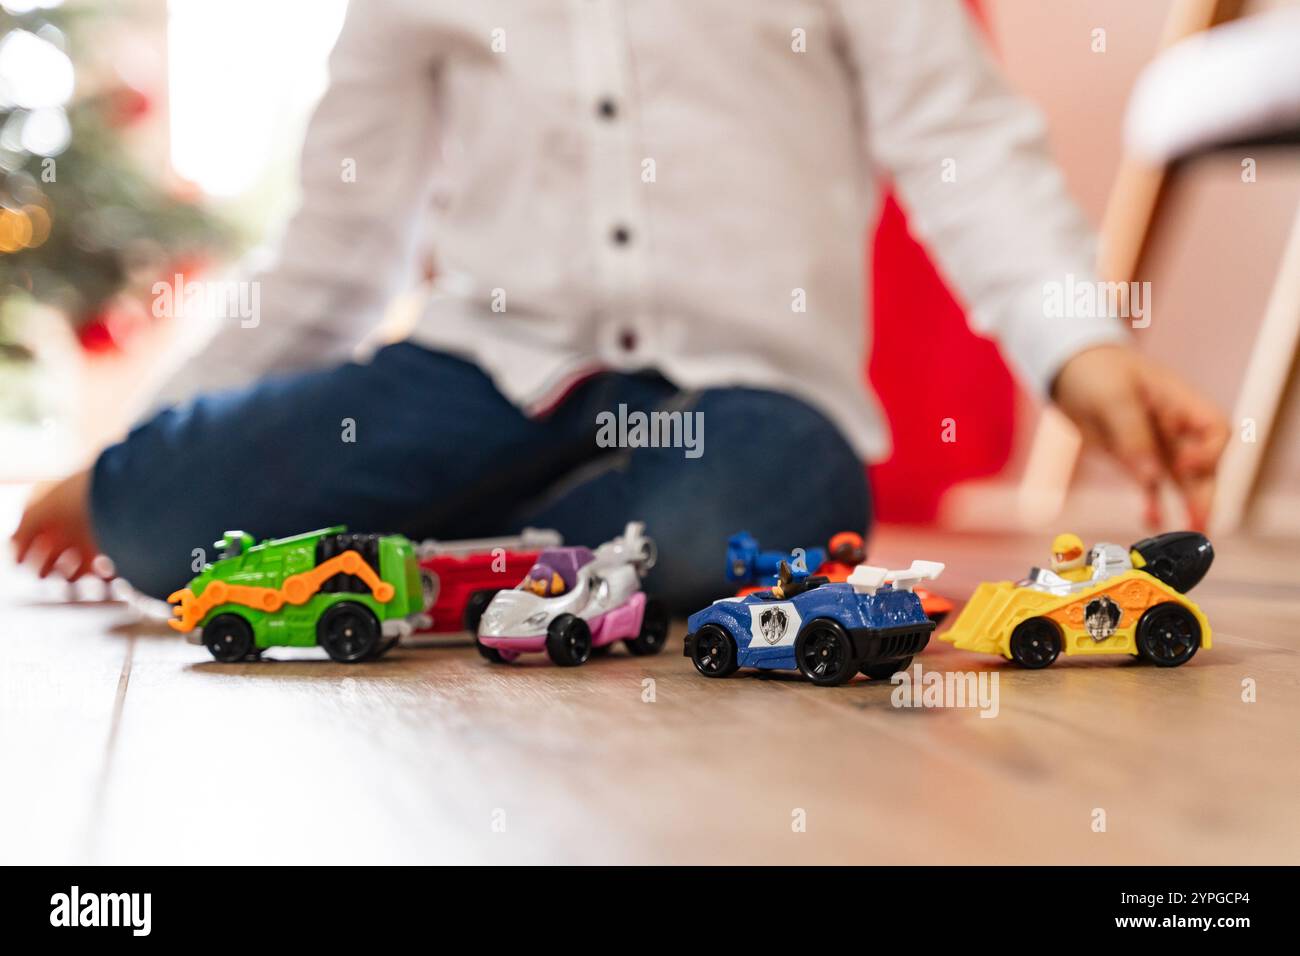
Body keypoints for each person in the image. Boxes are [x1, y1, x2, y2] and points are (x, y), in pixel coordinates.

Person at [11, 1, 1229, 612]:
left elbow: (965, 146)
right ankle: (546, 553)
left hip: (740, 396)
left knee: (738, 523)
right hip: (482, 375)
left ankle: (444, 563)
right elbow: (335, 247)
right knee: (164, 513)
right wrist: (137, 452)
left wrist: (1077, 350)